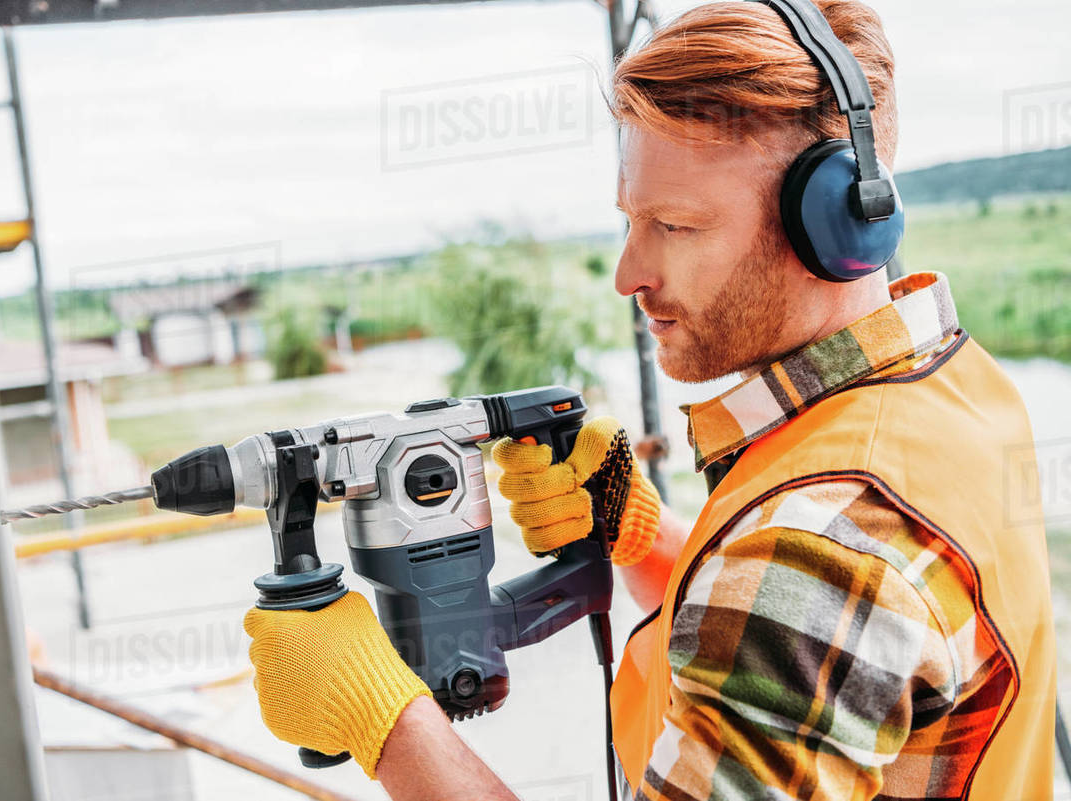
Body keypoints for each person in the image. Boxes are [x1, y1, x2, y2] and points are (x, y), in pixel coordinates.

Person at [242, 1, 1056, 799]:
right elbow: (846, 664)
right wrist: (651, 538)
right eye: (632, 219)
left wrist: (384, 722)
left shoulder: (811, 552)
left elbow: (809, 588)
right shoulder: (953, 388)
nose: (630, 273)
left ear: (840, 226)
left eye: (676, 225)